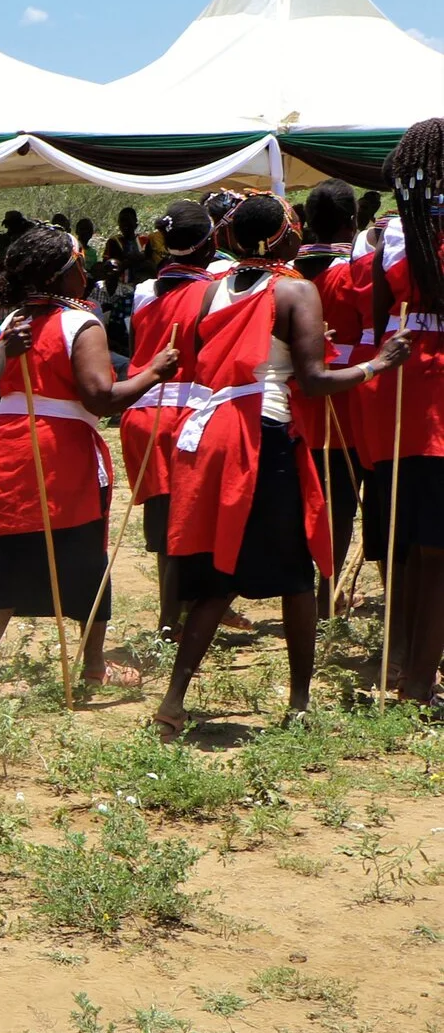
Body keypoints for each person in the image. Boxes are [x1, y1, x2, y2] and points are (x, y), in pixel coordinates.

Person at [151, 193, 406, 733]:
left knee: (222, 571)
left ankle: (173, 701)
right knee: (294, 573)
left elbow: (246, 358)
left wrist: (294, 356)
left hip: (210, 431)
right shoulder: (295, 289)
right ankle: (298, 705)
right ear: (280, 237)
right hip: (259, 433)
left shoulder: (210, 290)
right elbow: (313, 381)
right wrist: (377, 366)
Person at [0, 225, 179, 701]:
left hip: (7, 442)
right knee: (82, 550)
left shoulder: (14, 318)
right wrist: (153, 373)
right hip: (58, 447)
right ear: (66, 274)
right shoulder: (82, 323)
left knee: (8, 546)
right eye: (80, 264)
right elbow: (100, 397)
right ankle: (94, 666)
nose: (86, 272)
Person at [355, 121, 444, 704]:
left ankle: (406, 663)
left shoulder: (384, 235)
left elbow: (377, 320)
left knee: (412, 541)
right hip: (436, 389)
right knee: (436, 549)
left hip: (395, 389)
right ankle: (416, 680)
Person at [119, 201, 219, 642]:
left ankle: (169, 617)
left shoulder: (145, 289)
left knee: (164, 522)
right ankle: (181, 616)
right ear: (210, 243)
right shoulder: (217, 290)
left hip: (143, 412)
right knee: (191, 521)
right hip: (190, 413)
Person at [296, 179, 366, 618]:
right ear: (352, 221)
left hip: (294, 403)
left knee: (307, 499)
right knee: (338, 506)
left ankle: (307, 592)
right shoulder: (353, 272)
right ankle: (323, 598)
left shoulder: (286, 273)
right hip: (343, 404)